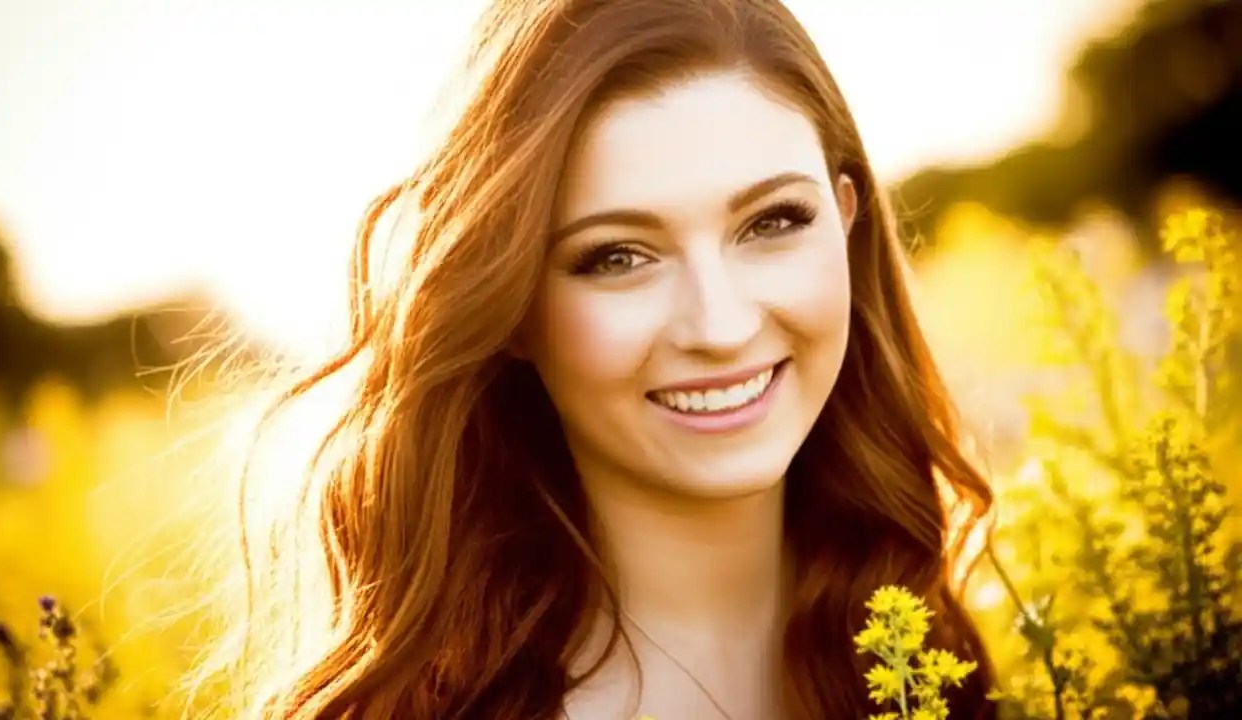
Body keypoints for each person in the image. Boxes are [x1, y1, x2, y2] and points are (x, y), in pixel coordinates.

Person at [222, 0, 1000, 718]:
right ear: (514, 308)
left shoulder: (944, 654)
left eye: (772, 222)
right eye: (618, 257)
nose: (721, 326)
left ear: (846, 221)